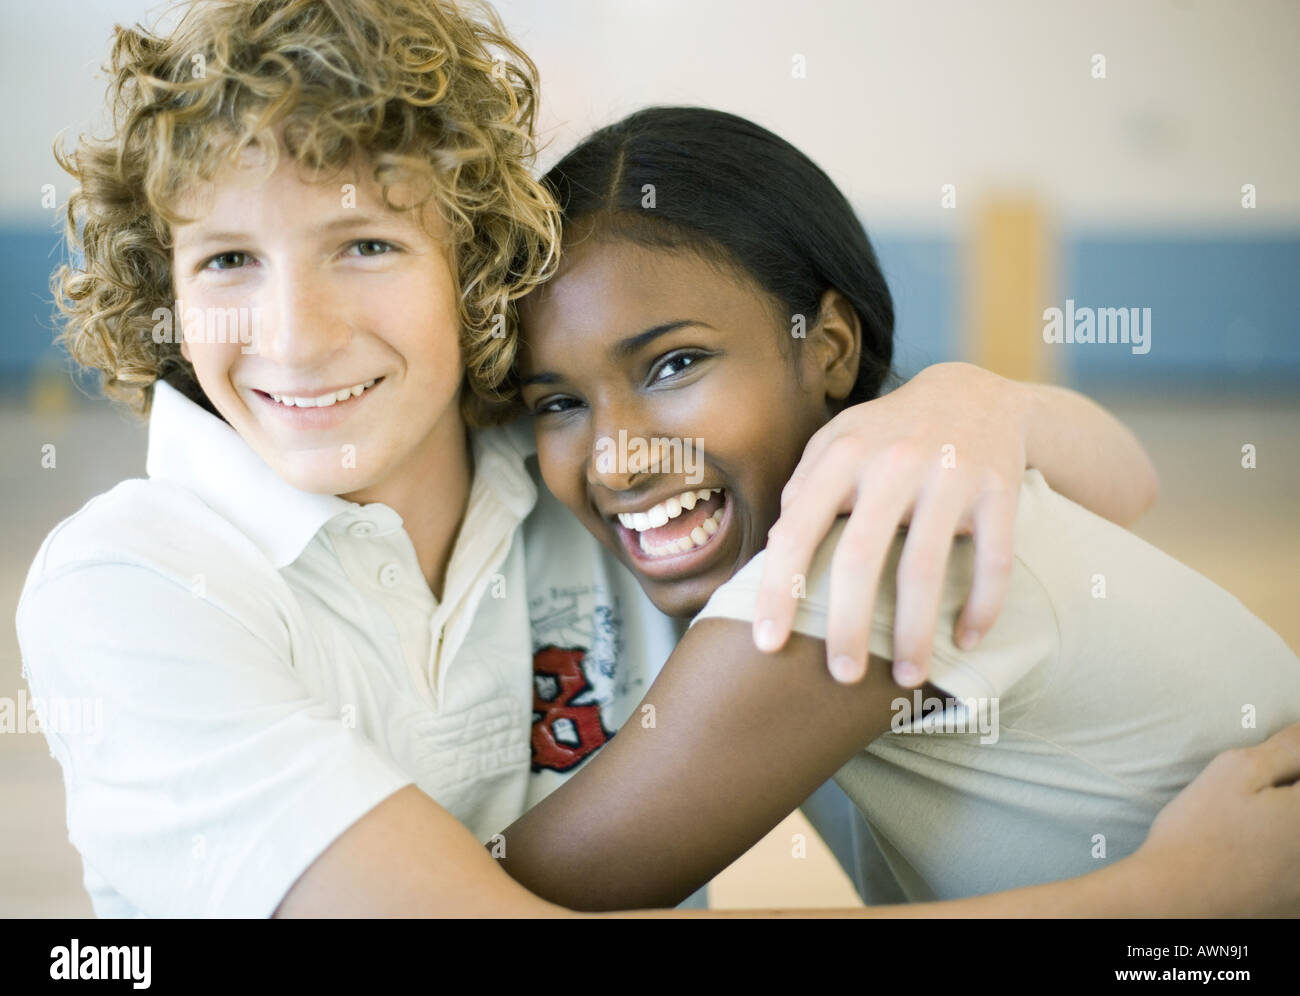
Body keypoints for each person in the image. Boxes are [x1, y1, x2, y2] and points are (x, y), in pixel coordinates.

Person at [13, 0, 1297, 918]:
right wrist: (1166, 906)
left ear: (473, 278)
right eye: (227, 258)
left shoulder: (658, 506)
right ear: (164, 290)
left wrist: (970, 403)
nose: (294, 333)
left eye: (366, 245)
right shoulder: (130, 584)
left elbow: (1114, 480)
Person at [492, 105, 1300, 910]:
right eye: (558, 402)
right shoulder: (903, 472)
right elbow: (1134, 482)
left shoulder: (863, 555)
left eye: (675, 364)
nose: (619, 458)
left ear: (830, 346)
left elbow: (512, 898)